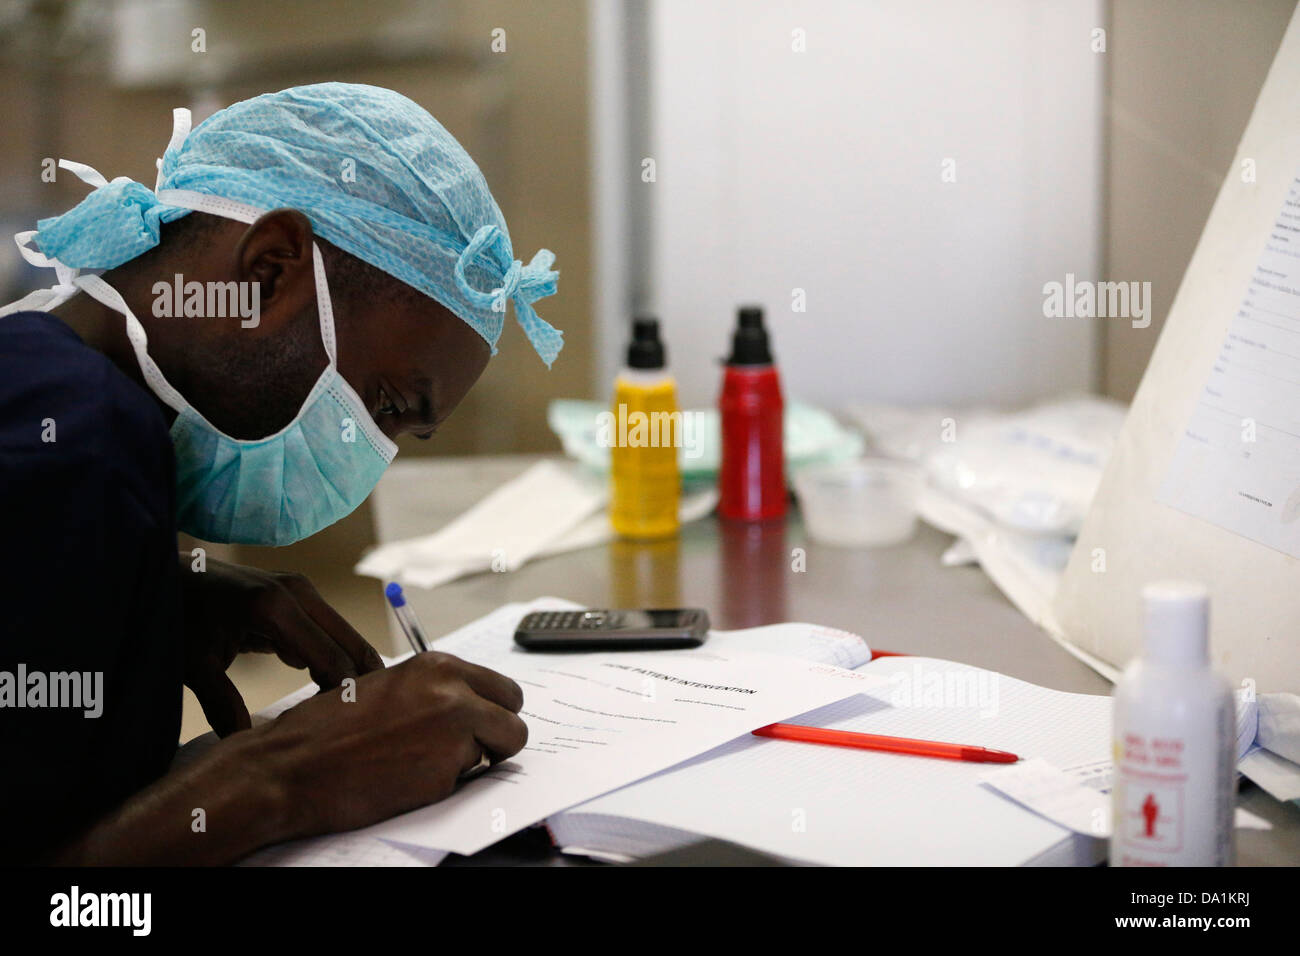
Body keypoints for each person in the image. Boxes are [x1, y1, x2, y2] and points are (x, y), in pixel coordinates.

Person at [0, 83, 563, 864]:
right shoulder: (72, 448)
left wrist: (140, 599)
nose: (369, 449)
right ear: (267, 271)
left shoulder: (42, 386)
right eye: (385, 401)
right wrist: (286, 775)